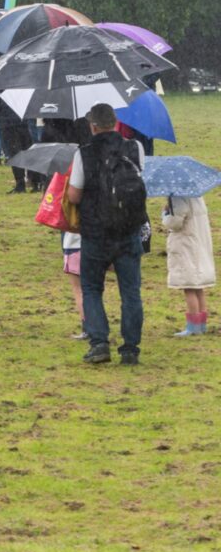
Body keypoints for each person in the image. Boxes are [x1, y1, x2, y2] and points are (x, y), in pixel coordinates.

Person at [66, 104, 147, 364]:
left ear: (92, 126)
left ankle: (99, 342)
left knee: (91, 287)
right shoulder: (135, 148)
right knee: (131, 291)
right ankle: (131, 348)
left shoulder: (84, 153)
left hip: (95, 230)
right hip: (128, 228)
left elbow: (74, 195)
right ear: (115, 123)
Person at [161, 194, 214, 336]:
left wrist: (165, 213)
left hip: (186, 245)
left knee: (188, 286)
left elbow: (174, 223)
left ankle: (193, 327)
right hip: (197, 242)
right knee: (198, 287)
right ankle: (201, 324)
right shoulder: (197, 196)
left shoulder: (178, 197)